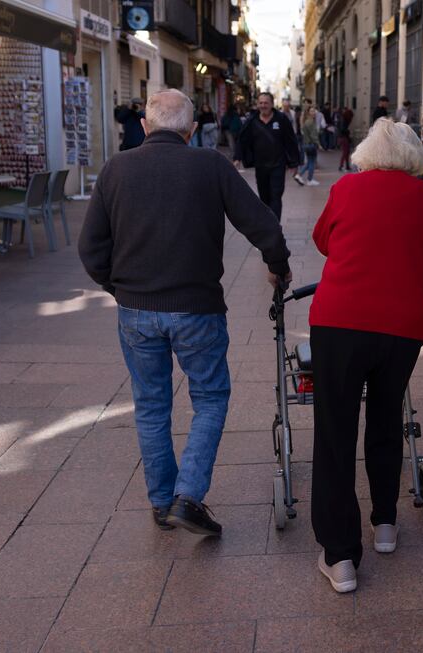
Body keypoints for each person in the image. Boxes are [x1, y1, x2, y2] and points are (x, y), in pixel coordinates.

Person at [78, 90, 291, 537]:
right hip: (197, 308)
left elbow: (90, 247)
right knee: (210, 399)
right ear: (192, 130)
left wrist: (116, 287)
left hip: (136, 309)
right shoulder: (209, 165)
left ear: (145, 126)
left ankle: (162, 502)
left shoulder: (116, 169)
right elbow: (261, 221)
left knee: (151, 405)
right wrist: (278, 266)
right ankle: (188, 495)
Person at [308, 118, 423, 593]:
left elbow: (323, 241)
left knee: (335, 432)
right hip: (400, 328)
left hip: (338, 324)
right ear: (412, 158)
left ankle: (340, 558)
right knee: (386, 417)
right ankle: (386, 523)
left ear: (368, 153)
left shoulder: (346, 189)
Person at [234, 92, 301, 220]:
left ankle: (275, 226)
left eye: (266, 103)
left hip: (278, 165)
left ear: (272, 104)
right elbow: (242, 140)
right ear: (257, 104)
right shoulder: (252, 121)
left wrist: (294, 163)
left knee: (276, 195)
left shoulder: (281, 119)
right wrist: (237, 158)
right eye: (261, 103)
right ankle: (267, 223)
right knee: (264, 197)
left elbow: (290, 141)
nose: (263, 105)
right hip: (261, 165)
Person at [294, 107, 320, 186]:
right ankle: (310, 179)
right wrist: (318, 144)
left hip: (306, 144)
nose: (314, 112)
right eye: (312, 111)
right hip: (311, 144)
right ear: (308, 113)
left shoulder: (306, 122)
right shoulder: (311, 122)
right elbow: (313, 135)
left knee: (309, 162)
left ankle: (299, 175)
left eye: (314, 111)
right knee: (311, 162)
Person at [336, 106, 354, 171]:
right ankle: (341, 166)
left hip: (342, 137)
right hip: (344, 138)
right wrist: (348, 132)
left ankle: (347, 166)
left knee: (346, 152)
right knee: (345, 152)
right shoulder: (345, 121)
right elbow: (343, 130)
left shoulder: (343, 119)